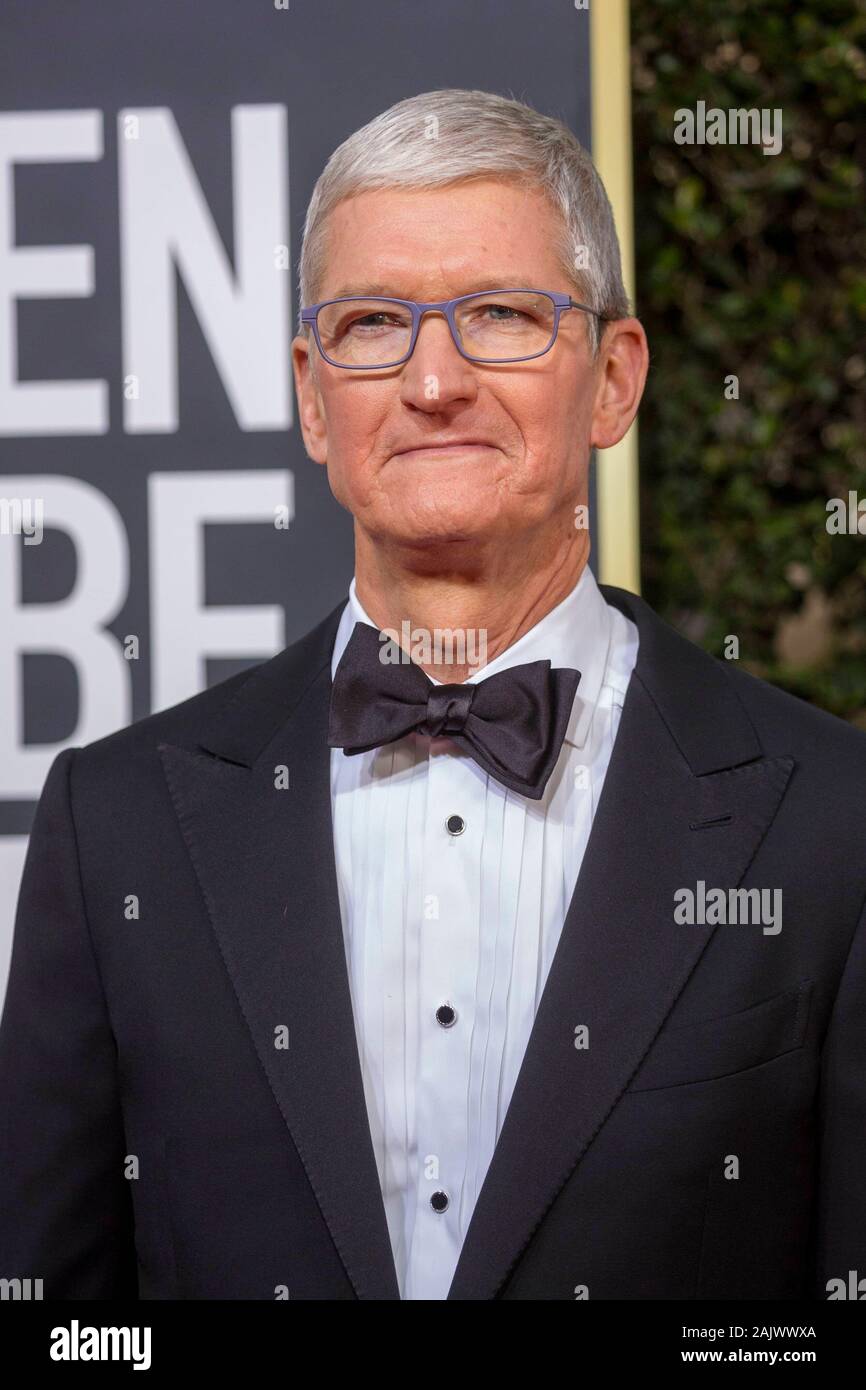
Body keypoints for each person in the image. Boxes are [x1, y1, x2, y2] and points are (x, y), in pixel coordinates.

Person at [1, 88, 864, 1301]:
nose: (434, 380)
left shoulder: (833, 821)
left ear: (614, 379)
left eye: (501, 316)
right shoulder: (117, 822)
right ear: (312, 394)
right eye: (371, 325)